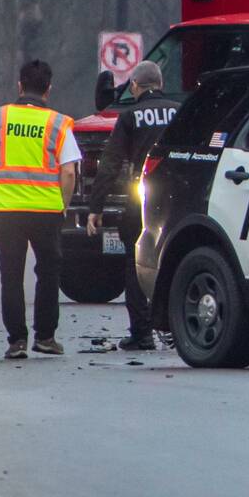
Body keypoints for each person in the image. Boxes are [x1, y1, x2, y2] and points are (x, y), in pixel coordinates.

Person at [0, 59, 80, 359]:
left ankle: (17, 341)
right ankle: (46, 337)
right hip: (46, 211)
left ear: (20, 86)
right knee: (48, 273)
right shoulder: (58, 123)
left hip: (7, 210)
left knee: (10, 275)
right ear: (48, 90)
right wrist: (63, 204)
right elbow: (69, 173)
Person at [85, 60, 179, 351]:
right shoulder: (181, 111)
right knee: (178, 262)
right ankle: (179, 330)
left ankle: (142, 333)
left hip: (143, 198)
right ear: (160, 85)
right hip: (180, 199)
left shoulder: (130, 116)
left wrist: (95, 207)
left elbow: (111, 163)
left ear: (136, 86)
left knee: (136, 262)